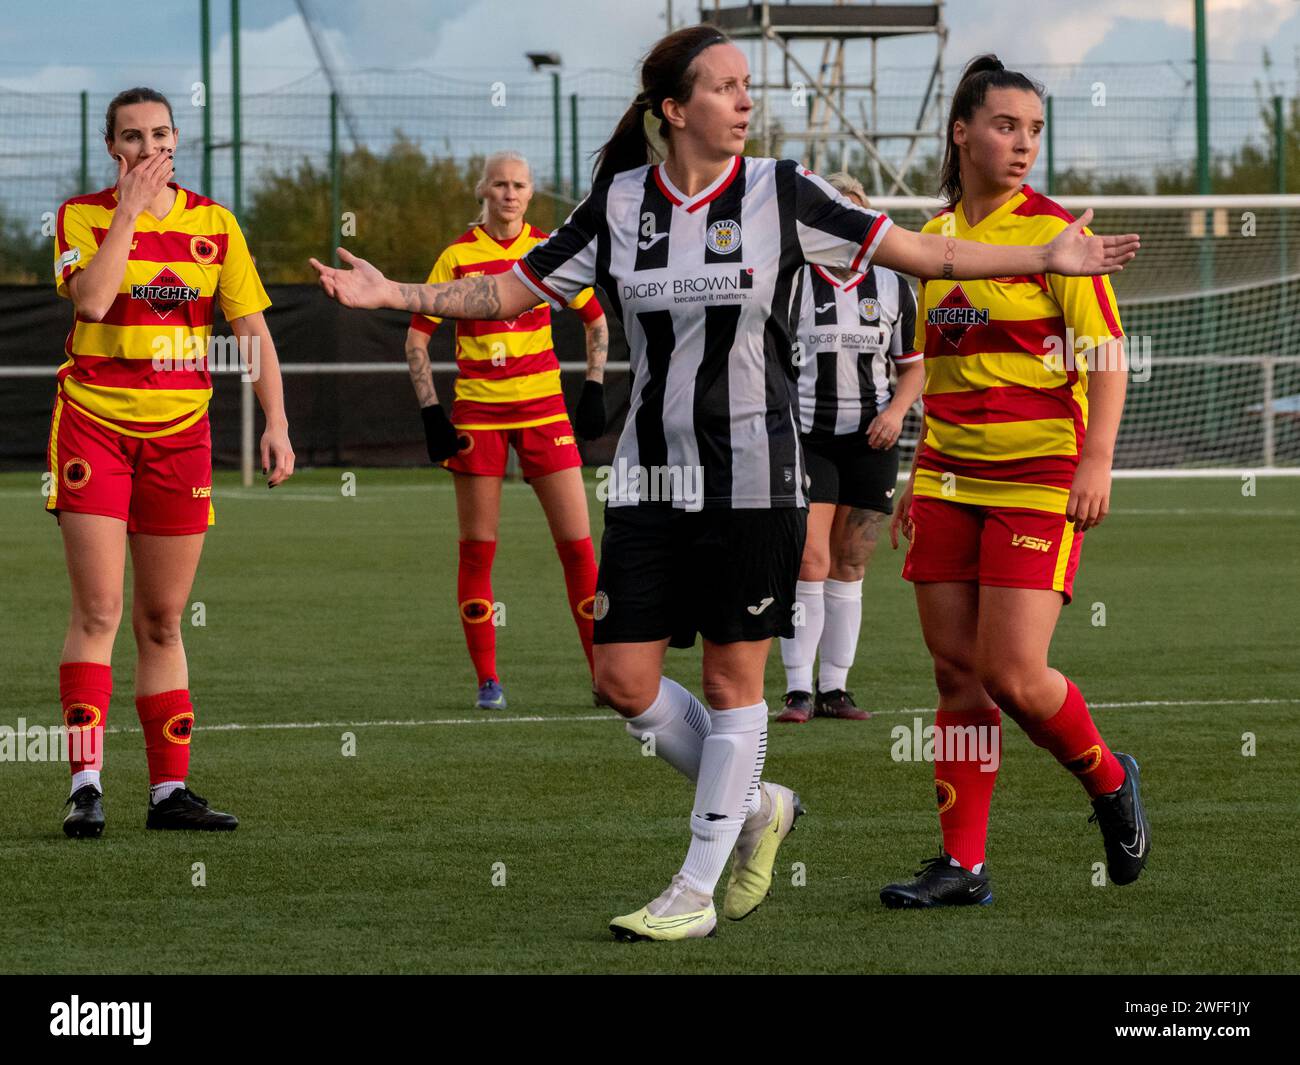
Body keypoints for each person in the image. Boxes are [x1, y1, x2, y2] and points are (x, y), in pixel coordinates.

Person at [311, 28, 1137, 940]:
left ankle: (695, 886)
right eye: (727, 88)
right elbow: (512, 290)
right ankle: (758, 802)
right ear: (675, 109)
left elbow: (920, 255)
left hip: (759, 476)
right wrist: (396, 295)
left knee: (738, 675)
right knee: (621, 679)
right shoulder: (619, 201)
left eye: (750, 87)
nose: (747, 102)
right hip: (649, 477)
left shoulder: (783, 192)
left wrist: (1043, 258)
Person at [880, 55, 1151, 909]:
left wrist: (1097, 460)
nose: (1023, 142)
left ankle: (1110, 780)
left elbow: (1106, 358)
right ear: (962, 131)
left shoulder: (1059, 235)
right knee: (956, 676)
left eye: (1034, 129)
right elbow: (946, 374)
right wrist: (917, 475)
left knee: (1013, 672)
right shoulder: (932, 239)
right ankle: (961, 865)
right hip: (948, 482)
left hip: (1040, 478)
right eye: (1006, 125)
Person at [52, 87, 294, 838]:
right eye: (131, 137)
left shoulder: (215, 224)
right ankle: (85, 786)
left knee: (162, 619)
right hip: (93, 427)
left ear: (177, 139)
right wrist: (128, 211)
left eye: (159, 134)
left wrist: (278, 422)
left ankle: (169, 794)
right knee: (99, 611)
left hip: (182, 435)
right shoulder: (80, 216)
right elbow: (91, 302)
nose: (147, 148)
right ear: (111, 147)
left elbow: (250, 329)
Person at [404, 150, 609, 710]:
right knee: (477, 550)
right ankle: (488, 682)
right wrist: (430, 412)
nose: (510, 193)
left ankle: (604, 677)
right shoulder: (456, 257)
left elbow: (596, 319)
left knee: (579, 549)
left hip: (546, 413)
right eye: (500, 184)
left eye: (519, 184)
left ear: (531, 192)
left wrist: (593, 388)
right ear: (483, 191)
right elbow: (417, 337)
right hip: (479, 415)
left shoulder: (550, 249)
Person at [777, 171, 924, 724]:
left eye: (853, 212)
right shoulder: (791, 282)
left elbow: (913, 369)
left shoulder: (891, 286)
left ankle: (836, 688)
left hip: (871, 439)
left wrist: (895, 412)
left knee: (852, 560)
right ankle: (797, 691)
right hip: (807, 437)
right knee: (809, 559)